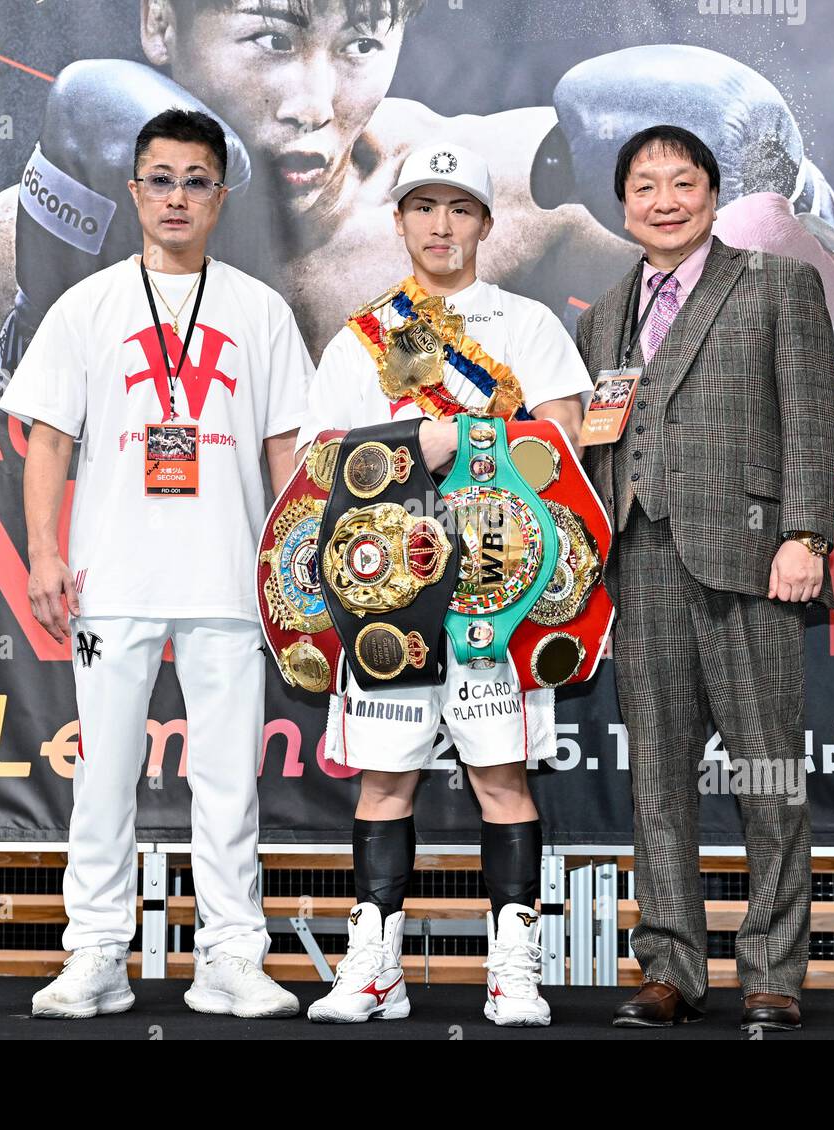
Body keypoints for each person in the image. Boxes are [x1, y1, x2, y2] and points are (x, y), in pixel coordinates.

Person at [0, 3, 834, 377]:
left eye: (362, 42)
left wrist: (778, 182)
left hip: (449, 649)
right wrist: (51, 279)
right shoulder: (23, 237)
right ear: (162, 26)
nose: (315, 102)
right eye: (271, 40)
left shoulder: (494, 187)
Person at [0, 109, 312, 1019]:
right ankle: (94, 952)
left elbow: (287, 455)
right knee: (102, 777)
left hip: (227, 579)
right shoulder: (87, 306)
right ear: (135, 192)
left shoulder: (258, 309)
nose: (178, 197)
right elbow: (49, 441)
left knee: (226, 780)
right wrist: (46, 552)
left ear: (222, 195)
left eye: (196, 181)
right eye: (161, 179)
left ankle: (231, 957)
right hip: (113, 577)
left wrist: (289, 570)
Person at [292, 142, 592, 1027]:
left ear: (485, 224)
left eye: (459, 208)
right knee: (383, 782)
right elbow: (320, 466)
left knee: (503, 778)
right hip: (387, 597)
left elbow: (564, 454)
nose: (440, 225)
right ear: (400, 221)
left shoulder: (528, 324)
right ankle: (375, 966)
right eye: (423, 206)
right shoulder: (361, 337)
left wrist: (462, 444)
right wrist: (400, 448)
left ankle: (513, 966)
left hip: (495, 596)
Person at [575, 125, 834, 1030]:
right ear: (623, 207)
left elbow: (812, 415)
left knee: (767, 772)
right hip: (637, 561)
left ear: (713, 194)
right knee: (656, 776)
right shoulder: (602, 313)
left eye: (681, 182)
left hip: (754, 559)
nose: (663, 199)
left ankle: (773, 972)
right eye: (644, 185)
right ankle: (671, 966)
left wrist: (807, 534)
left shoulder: (776, 283)